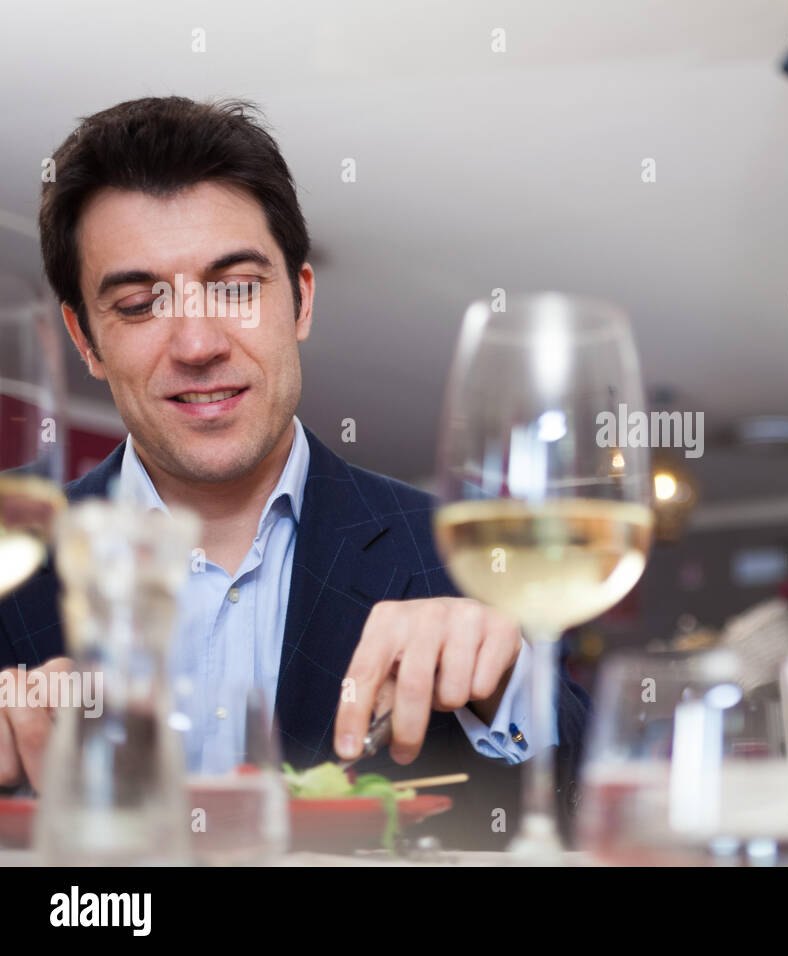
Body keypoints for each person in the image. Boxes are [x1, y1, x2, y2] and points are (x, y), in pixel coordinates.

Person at [0, 96, 590, 848]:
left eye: (237, 286)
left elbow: (589, 814)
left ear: (300, 299)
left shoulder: (453, 556)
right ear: (86, 338)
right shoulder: (14, 564)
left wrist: (508, 685)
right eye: (143, 303)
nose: (198, 343)